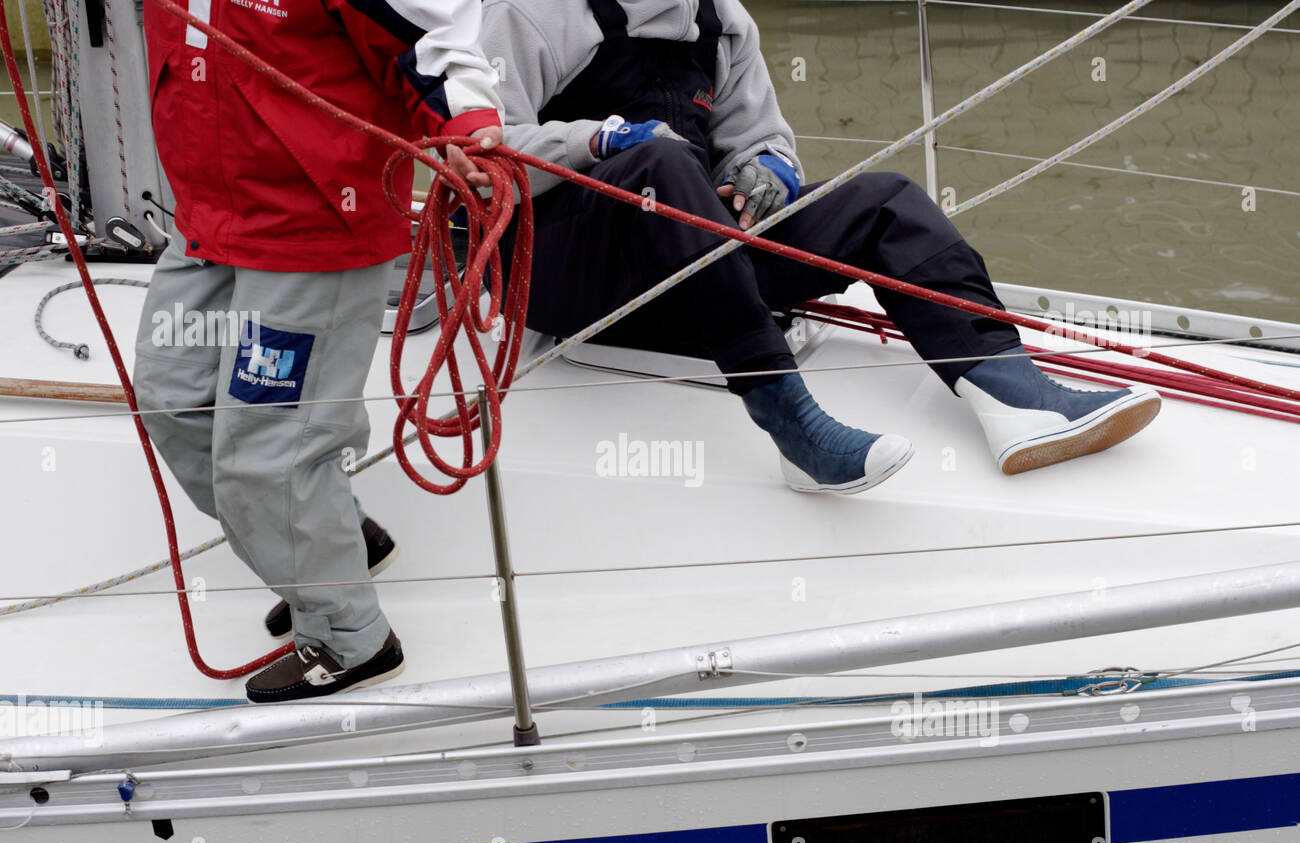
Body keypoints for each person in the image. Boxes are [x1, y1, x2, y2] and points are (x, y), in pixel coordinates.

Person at [480, 0, 1161, 491]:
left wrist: (769, 172)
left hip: (692, 262)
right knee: (665, 164)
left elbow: (764, 140)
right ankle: (791, 422)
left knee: (884, 201)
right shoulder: (533, 13)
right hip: (564, 274)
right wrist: (597, 140)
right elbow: (481, 156)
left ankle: (1011, 392)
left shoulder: (723, 22)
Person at [134, 0, 503, 702]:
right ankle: (336, 542)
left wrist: (468, 121)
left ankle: (349, 635)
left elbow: (431, 27)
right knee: (173, 397)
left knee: (267, 456)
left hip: (315, 222)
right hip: (210, 213)